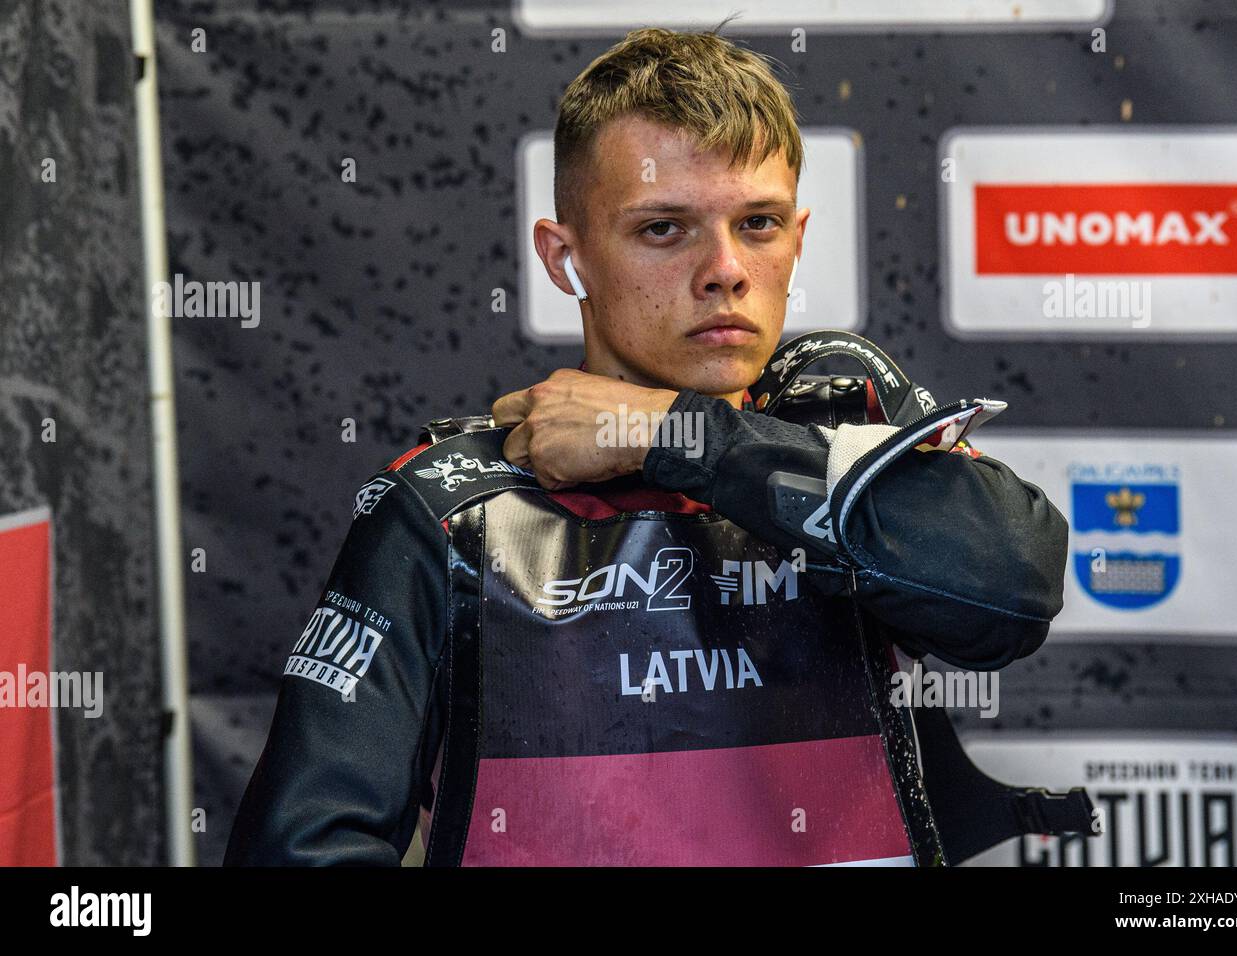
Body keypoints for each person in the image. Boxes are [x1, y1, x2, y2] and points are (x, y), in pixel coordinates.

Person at [224, 25, 1069, 867]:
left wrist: (670, 435)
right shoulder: (452, 510)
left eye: (760, 223)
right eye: (665, 229)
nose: (727, 269)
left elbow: (1014, 589)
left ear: (800, 238)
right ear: (566, 259)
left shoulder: (844, 440)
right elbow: (300, 850)